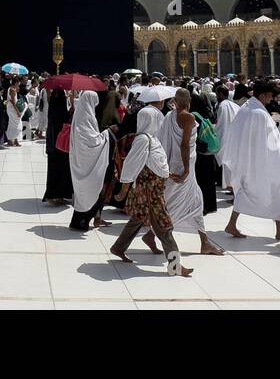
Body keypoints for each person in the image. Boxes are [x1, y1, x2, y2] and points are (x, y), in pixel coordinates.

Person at [110, 106, 193, 277]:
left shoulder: (151, 138)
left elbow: (154, 164)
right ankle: (175, 265)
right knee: (164, 227)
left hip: (154, 189)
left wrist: (167, 175)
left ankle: (118, 247)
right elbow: (132, 165)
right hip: (149, 193)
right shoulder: (143, 140)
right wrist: (124, 190)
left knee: (138, 218)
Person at [223, 80, 280, 242]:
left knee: (246, 192)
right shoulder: (258, 113)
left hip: (249, 160)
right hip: (261, 161)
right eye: (270, 96)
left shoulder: (247, 108)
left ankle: (232, 224)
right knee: (273, 193)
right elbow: (269, 140)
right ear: (262, 95)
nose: (271, 99)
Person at [158, 88, 224, 255]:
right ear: (188, 101)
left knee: (186, 200)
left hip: (173, 164)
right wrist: (186, 169)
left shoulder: (169, 116)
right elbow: (185, 144)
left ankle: (204, 242)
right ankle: (155, 233)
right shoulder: (188, 117)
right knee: (182, 201)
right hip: (183, 166)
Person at [68, 89, 112, 232]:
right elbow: (91, 141)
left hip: (81, 161)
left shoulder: (81, 114)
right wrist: (106, 134)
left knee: (85, 192)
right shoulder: (85, 118)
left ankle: (78, 221)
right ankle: (81, 221)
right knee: (91, 190)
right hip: (86, 162)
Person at [42, 88, 73, 204]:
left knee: (53, 171)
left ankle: (54, 195)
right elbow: (65, 122)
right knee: (61, 171)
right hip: (60, 147)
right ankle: (57, 195)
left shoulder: (52, 108)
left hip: (52, 145)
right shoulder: (61, 111)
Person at [5, 81, 24, 146]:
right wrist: (17, 111)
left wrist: (17, 89)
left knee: (14, 124)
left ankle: (15, 140)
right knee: (15, 124)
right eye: (18, 83)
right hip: (12, 109)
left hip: (11, 108)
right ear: (16, 83)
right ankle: (11, 140)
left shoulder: (11, 89)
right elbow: (13, 102)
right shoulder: (12, 90)